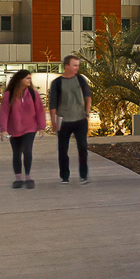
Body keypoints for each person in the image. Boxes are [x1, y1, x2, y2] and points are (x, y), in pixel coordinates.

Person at [48, 55, 93, 183]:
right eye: (74, 65)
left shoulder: (80, 79)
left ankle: (83, 175)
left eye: (78, 65)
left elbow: (88, 97)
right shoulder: (57, 83)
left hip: (80, 120)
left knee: (83, 148)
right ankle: (64, 176)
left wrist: (87, 113)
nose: (77, 68)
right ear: (66, 66)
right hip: (64, 121)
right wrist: (53, 121)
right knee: (63, 149)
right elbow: (53, 104)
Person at [0, 69, 46, 189]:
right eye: (27, 78)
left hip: (30, 128)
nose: (30, 80)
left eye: (30, 78)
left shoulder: (33, 94)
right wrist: (3, 129)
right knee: (17, 153)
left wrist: (42, 126)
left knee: (27, 151)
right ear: (20, 80)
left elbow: (40, 110)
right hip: (14, 129)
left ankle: (28, 176)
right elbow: (4, 112)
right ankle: (18, 178)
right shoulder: (9, 94)